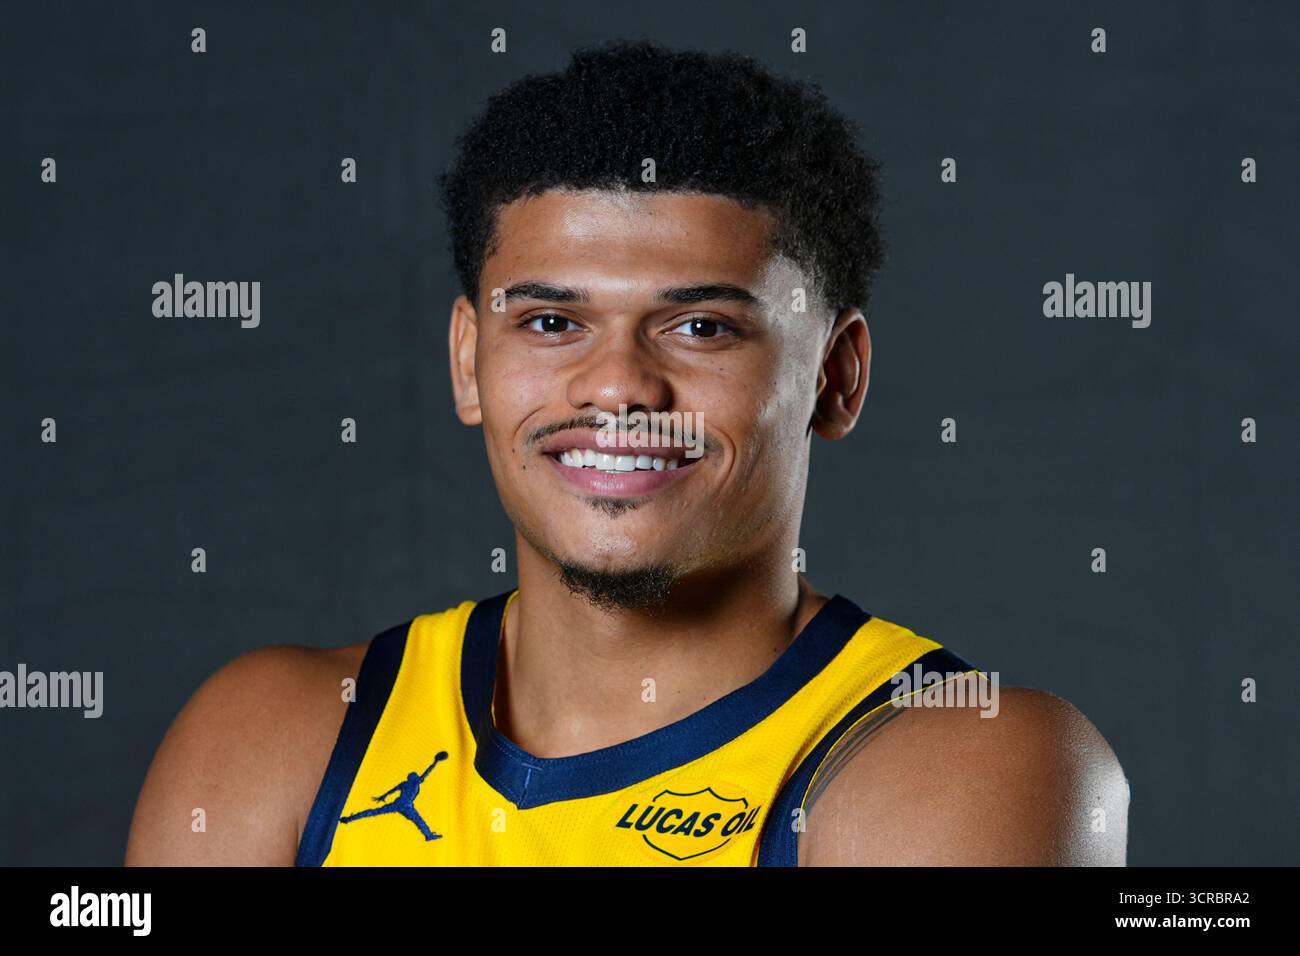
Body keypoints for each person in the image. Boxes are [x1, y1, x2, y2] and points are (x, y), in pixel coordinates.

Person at [126, 40, 1128, 867]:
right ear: (469, 361)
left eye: (700, 328)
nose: (618, 386)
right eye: (554, 320)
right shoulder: (275, 737)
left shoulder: (964, 756)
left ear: (836, 374)